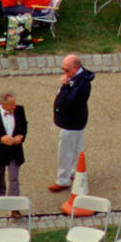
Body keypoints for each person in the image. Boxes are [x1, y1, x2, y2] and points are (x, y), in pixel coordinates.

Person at [50, 54, 94, 193]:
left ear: (76, 68)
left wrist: (64, 86)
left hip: (71, 121)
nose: (64, 73)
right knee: (76, 147)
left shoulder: (82, 83)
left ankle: (63, 179)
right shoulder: (76, 78)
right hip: (74, 119)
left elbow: (70, 101)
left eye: (67, 70)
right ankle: (76, 171)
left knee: (65, 150)